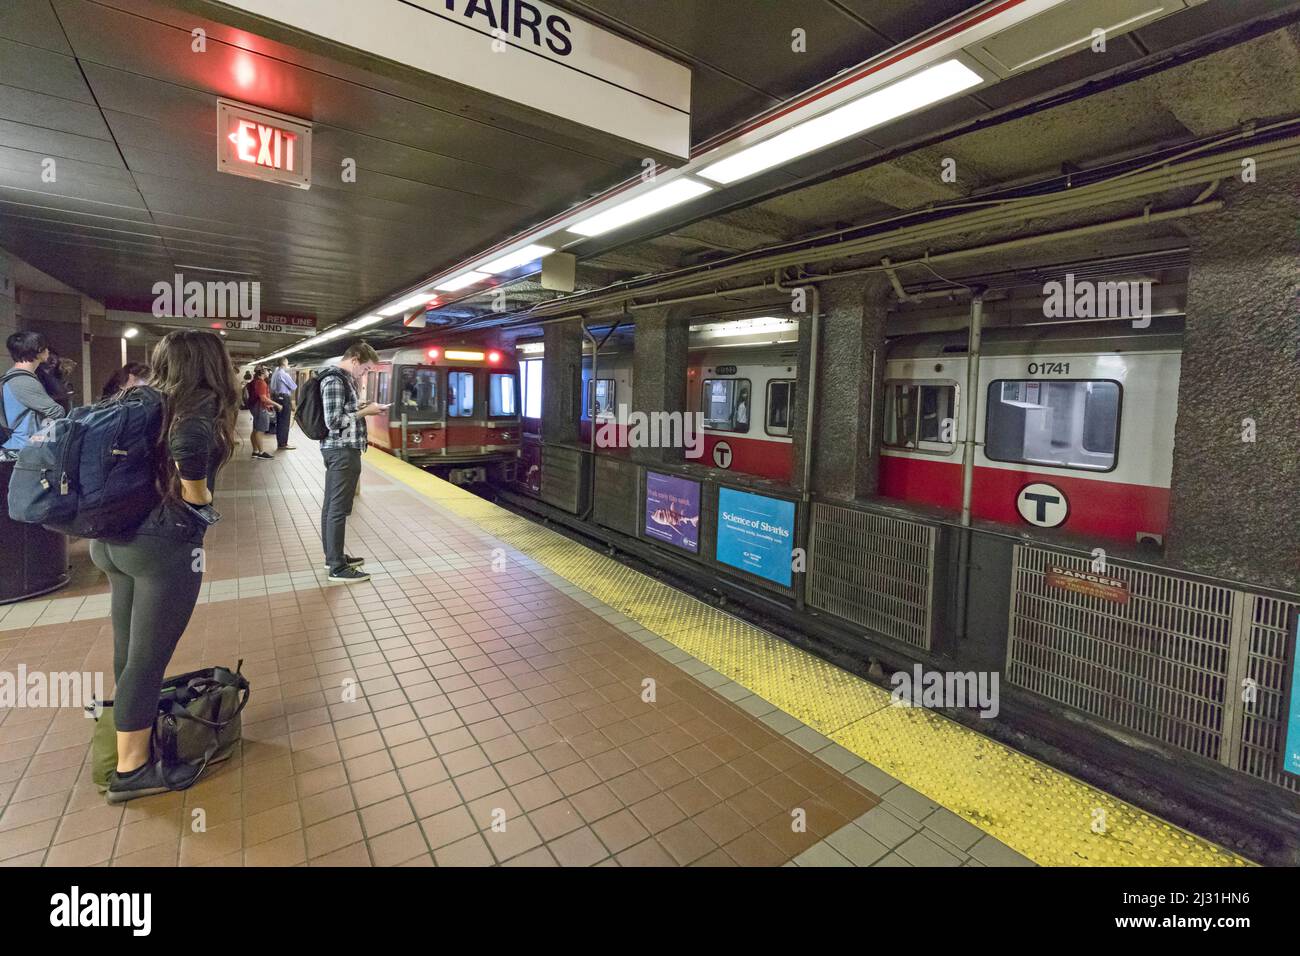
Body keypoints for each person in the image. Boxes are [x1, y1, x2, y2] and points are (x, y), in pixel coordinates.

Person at [89, 329, 239, 802]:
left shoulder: (143, 400)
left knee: (129, 650)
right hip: (161, 546)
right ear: (210, 365)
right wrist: (199, 495)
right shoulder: (198, 404)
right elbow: (190, 447)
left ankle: (130, 739)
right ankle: (132, 771)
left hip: (114, 540)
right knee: (147, 659)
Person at [320, 342, 385, 583]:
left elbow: (341, 410)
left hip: (342, 450)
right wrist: (364, 413)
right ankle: (337, 568)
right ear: (355, 359)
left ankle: (333, 557)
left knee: (332, 506)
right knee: (337, 509)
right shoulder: (335, 380)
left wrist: (363, 407)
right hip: (341, 451)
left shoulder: (342, 380)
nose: (365, 374)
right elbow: (333, 421)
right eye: (366, 369)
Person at [1, 331, 67, 460]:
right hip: (25, 451)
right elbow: (57, 412)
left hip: (19, 449)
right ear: (38, 350)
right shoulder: (23, 381)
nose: (48, 351)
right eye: (45, 348)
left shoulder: (12, 376)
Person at [248, 365, 280, 460]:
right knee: (260, 431)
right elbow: (263, 398)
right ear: (261, 372)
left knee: (255, 430)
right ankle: (261, 452)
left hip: (255, 407)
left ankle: (255, 451)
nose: (268, 372)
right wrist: (277, 404)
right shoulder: (261, 383)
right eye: (267, 370)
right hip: (260, 408)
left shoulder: (255, 382)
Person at [269, 357, 297, 451]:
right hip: (284, 399)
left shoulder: (275, 373)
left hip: (277, 398)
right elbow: (293, 386)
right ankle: (283, 444)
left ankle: (280, 442)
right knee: (284, 422)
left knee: (279, 421)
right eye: (287, 362)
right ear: (284, 363)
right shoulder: (283, 374)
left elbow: (272, 387)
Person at [36, 348, 73, 413]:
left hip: (63, 411)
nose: (53, 361)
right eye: (49, 359)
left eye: (55, 359)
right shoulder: (37, 375)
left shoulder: (56, 374)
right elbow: (39, 399)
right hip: (50, 413)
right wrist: (61, 396)